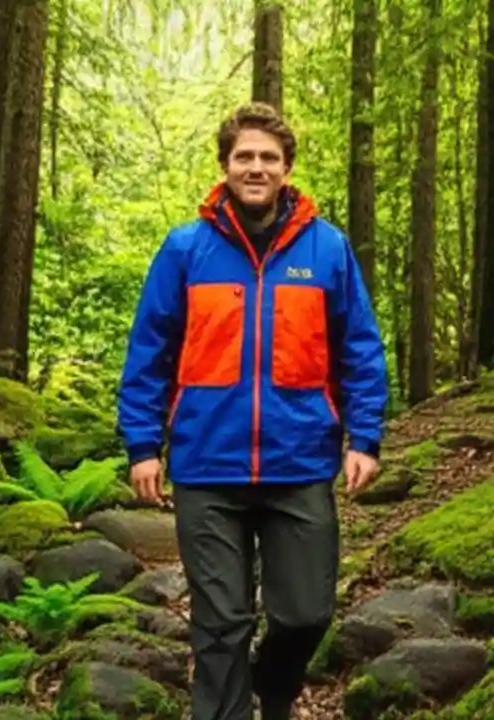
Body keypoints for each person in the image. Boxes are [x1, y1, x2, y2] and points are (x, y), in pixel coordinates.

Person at [116, 102, 389, 720]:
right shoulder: (186, 249)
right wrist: (141, 446)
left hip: (299, 464)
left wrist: (363, 436)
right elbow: (150, 350)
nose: (257, 167)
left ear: (287, 168)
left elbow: (360, 349)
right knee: (220, 626)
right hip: (206, 468)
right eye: (245, 157)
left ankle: (275, 685)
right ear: (226, 166)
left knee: (306, 613)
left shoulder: (327, 250)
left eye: (269, 157)